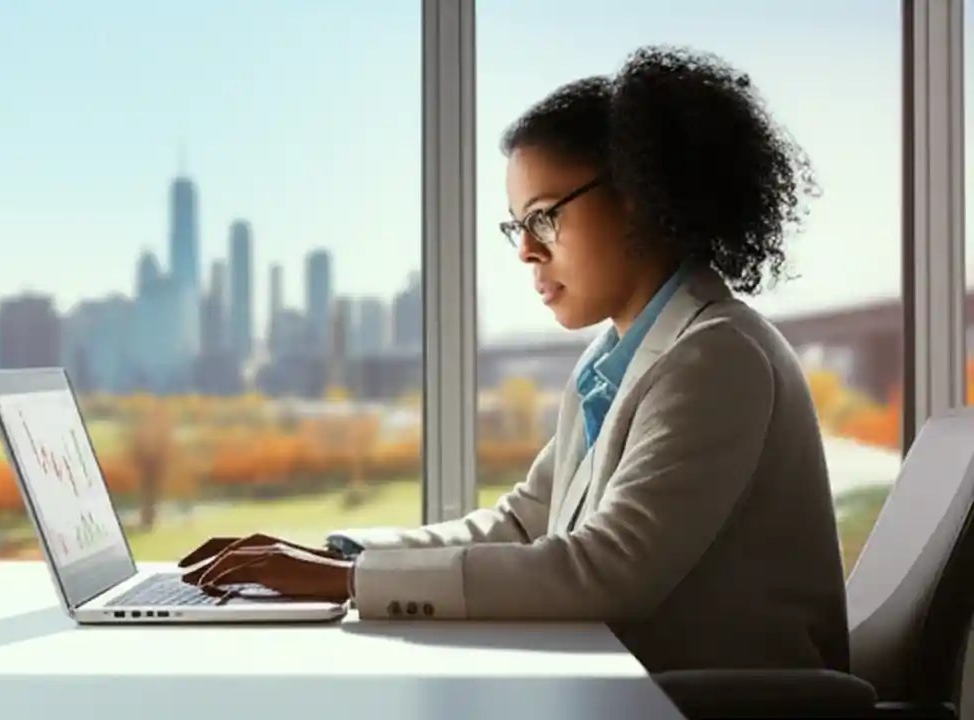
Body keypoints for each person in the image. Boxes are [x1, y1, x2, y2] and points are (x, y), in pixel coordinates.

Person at [179, 45, 849, 673]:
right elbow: (524, 521)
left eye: (544, 216)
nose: (525, 249)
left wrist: (348, 582)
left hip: (712, 703)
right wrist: (336, 554)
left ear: (640, 195)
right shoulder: (621, 359)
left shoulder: (717, 357)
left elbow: (606, 571)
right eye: (516, 225)